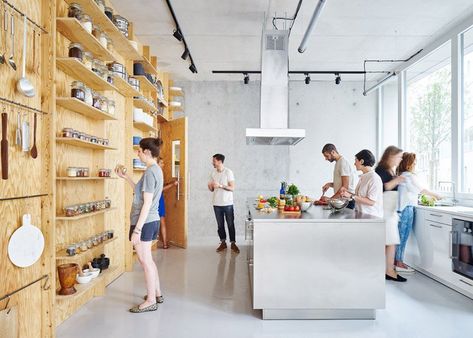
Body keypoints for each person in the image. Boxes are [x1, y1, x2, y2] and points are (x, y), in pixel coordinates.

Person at [116, 137, 164, 313]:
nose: (137, 153)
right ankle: (157, 294)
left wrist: (137, 229)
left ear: (147, 152)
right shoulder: (154, 169)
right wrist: (126, 177)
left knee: (145, 261)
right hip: (151, 220)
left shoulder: (151, 172)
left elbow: (146, 203)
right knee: (148, 260)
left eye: (139, 151)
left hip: (145, 222)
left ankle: (151, 300)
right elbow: (140, 192)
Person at [395, 152, 442, 272]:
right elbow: (422, 189)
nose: (415, 164)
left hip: (401, 209)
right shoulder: (409, 176)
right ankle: (399, 263)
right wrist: (436, 195)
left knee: (400, 237)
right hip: (407, 210)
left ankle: (397, 261)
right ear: (408, 163)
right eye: (414, 162)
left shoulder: (401, 175)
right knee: (402, 237)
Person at [375, 145, 407, 282]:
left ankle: (386, 270)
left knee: (389, 242)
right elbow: (383, 187)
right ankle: (389, 271)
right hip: (385, 212)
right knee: (390, 242)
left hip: (390, 212)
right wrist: (398, 180)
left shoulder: (389, 170)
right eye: (399, 157)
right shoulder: (380, 170)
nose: (400, 160)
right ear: (391, 156)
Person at [208, 154, 239, 254]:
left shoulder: (228, 172)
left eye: (214, 161)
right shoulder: (213, 173)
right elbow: (212, 189)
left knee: (230, 224)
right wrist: (210, 186)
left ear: (219, 161)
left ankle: (233, 243)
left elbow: (232, 188)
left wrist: (220, 185)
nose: (212, 162)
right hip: (216, 204)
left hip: (228, 204)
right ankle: (223, 242)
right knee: (220, 225)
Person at [340, 149, 383, 218]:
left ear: (362, 161)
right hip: (361, 215)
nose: (354, 164)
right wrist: (348, 195)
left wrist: (351, 196)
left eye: (355, 161)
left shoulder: (374, 178)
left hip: (371, 218)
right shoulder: (364, 177)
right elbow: (360, 196)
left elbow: (371, 202)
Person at [321, 143, 358, 209]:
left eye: (326, 156)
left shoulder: (343, 163)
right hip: (342, 201)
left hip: (347, 202)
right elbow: (342, 184)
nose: (326, 159)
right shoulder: (338, 162)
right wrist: (329, 184)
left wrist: (330, 200)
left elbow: (345, 188)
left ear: (333, 152)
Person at [157, 157, 179, 249]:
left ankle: (165, 243)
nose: (163, 164)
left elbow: (160, 187)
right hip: (156, 199)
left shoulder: (158, 173)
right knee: (160, 222)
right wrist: (172, 185)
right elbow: (159, 189)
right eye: (161, 163)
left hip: (159, 199)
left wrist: (170, 183)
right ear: (157, 163)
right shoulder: (157, 173)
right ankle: (163, 243)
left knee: (161, 221)